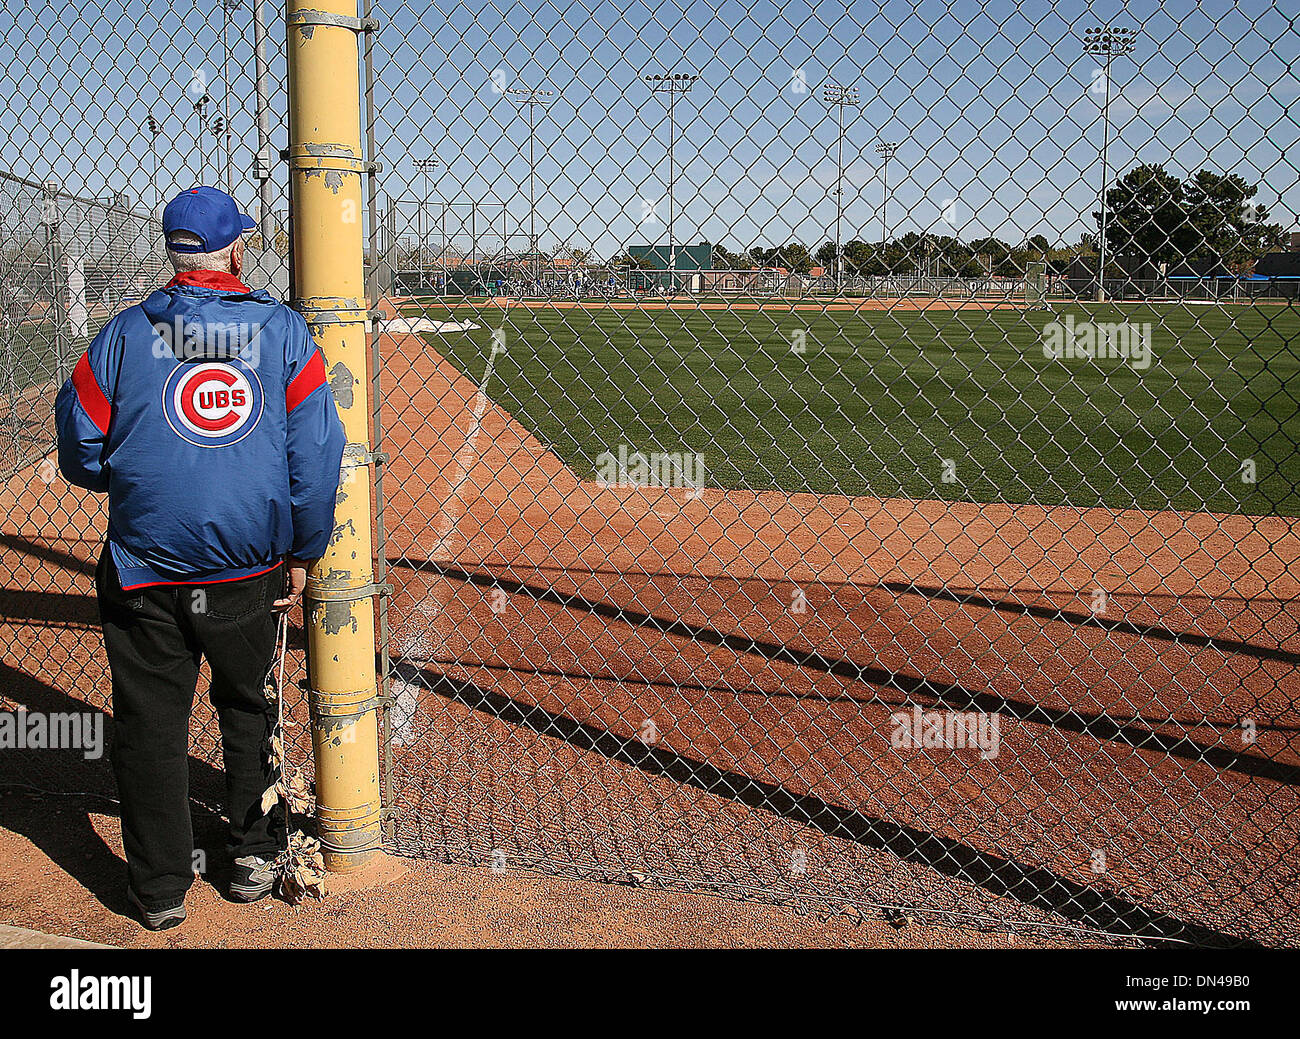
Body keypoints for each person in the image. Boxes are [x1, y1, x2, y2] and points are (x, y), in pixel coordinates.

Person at [55, 185, 346, 931]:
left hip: (146, 565)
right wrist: (305, 550)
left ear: (171, 253)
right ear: (236, 251)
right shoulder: (281, 332)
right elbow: (316, 455)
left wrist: (135, 473)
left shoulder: (123, 335)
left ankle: (158, 888)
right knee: (248, 703)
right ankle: (252, 856)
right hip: (248, 567)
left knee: (150, 721)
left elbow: (80, 449)